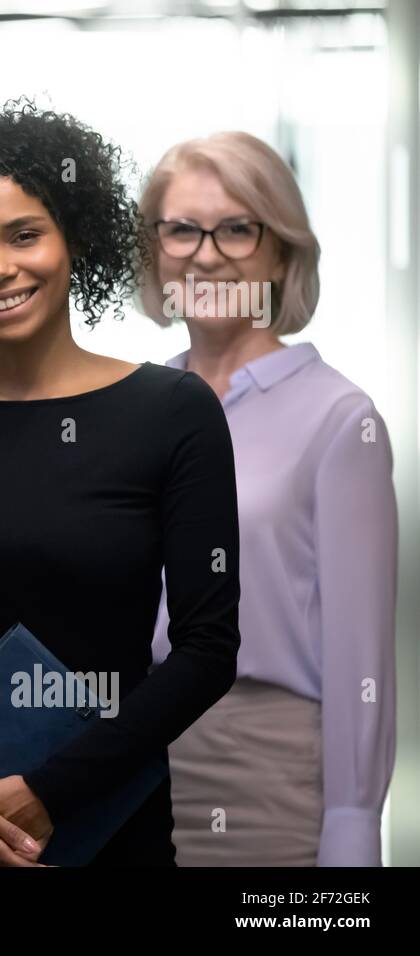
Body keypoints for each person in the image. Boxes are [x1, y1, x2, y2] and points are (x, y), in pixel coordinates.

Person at [0, 101, 241, 866]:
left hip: (107, 829)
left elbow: (207, 649)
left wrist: (51, 790)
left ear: (76, 239)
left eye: (25, 234)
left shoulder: (171, 412)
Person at [141, 131, 397, 866]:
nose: (207, 253)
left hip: (265, 781)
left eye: (237, 228)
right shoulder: (139, 407)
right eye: (182, 229)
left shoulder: (341, 420)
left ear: (280, 253)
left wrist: (352, 839)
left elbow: (361, 661)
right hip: (129, 766)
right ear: (157, 252)